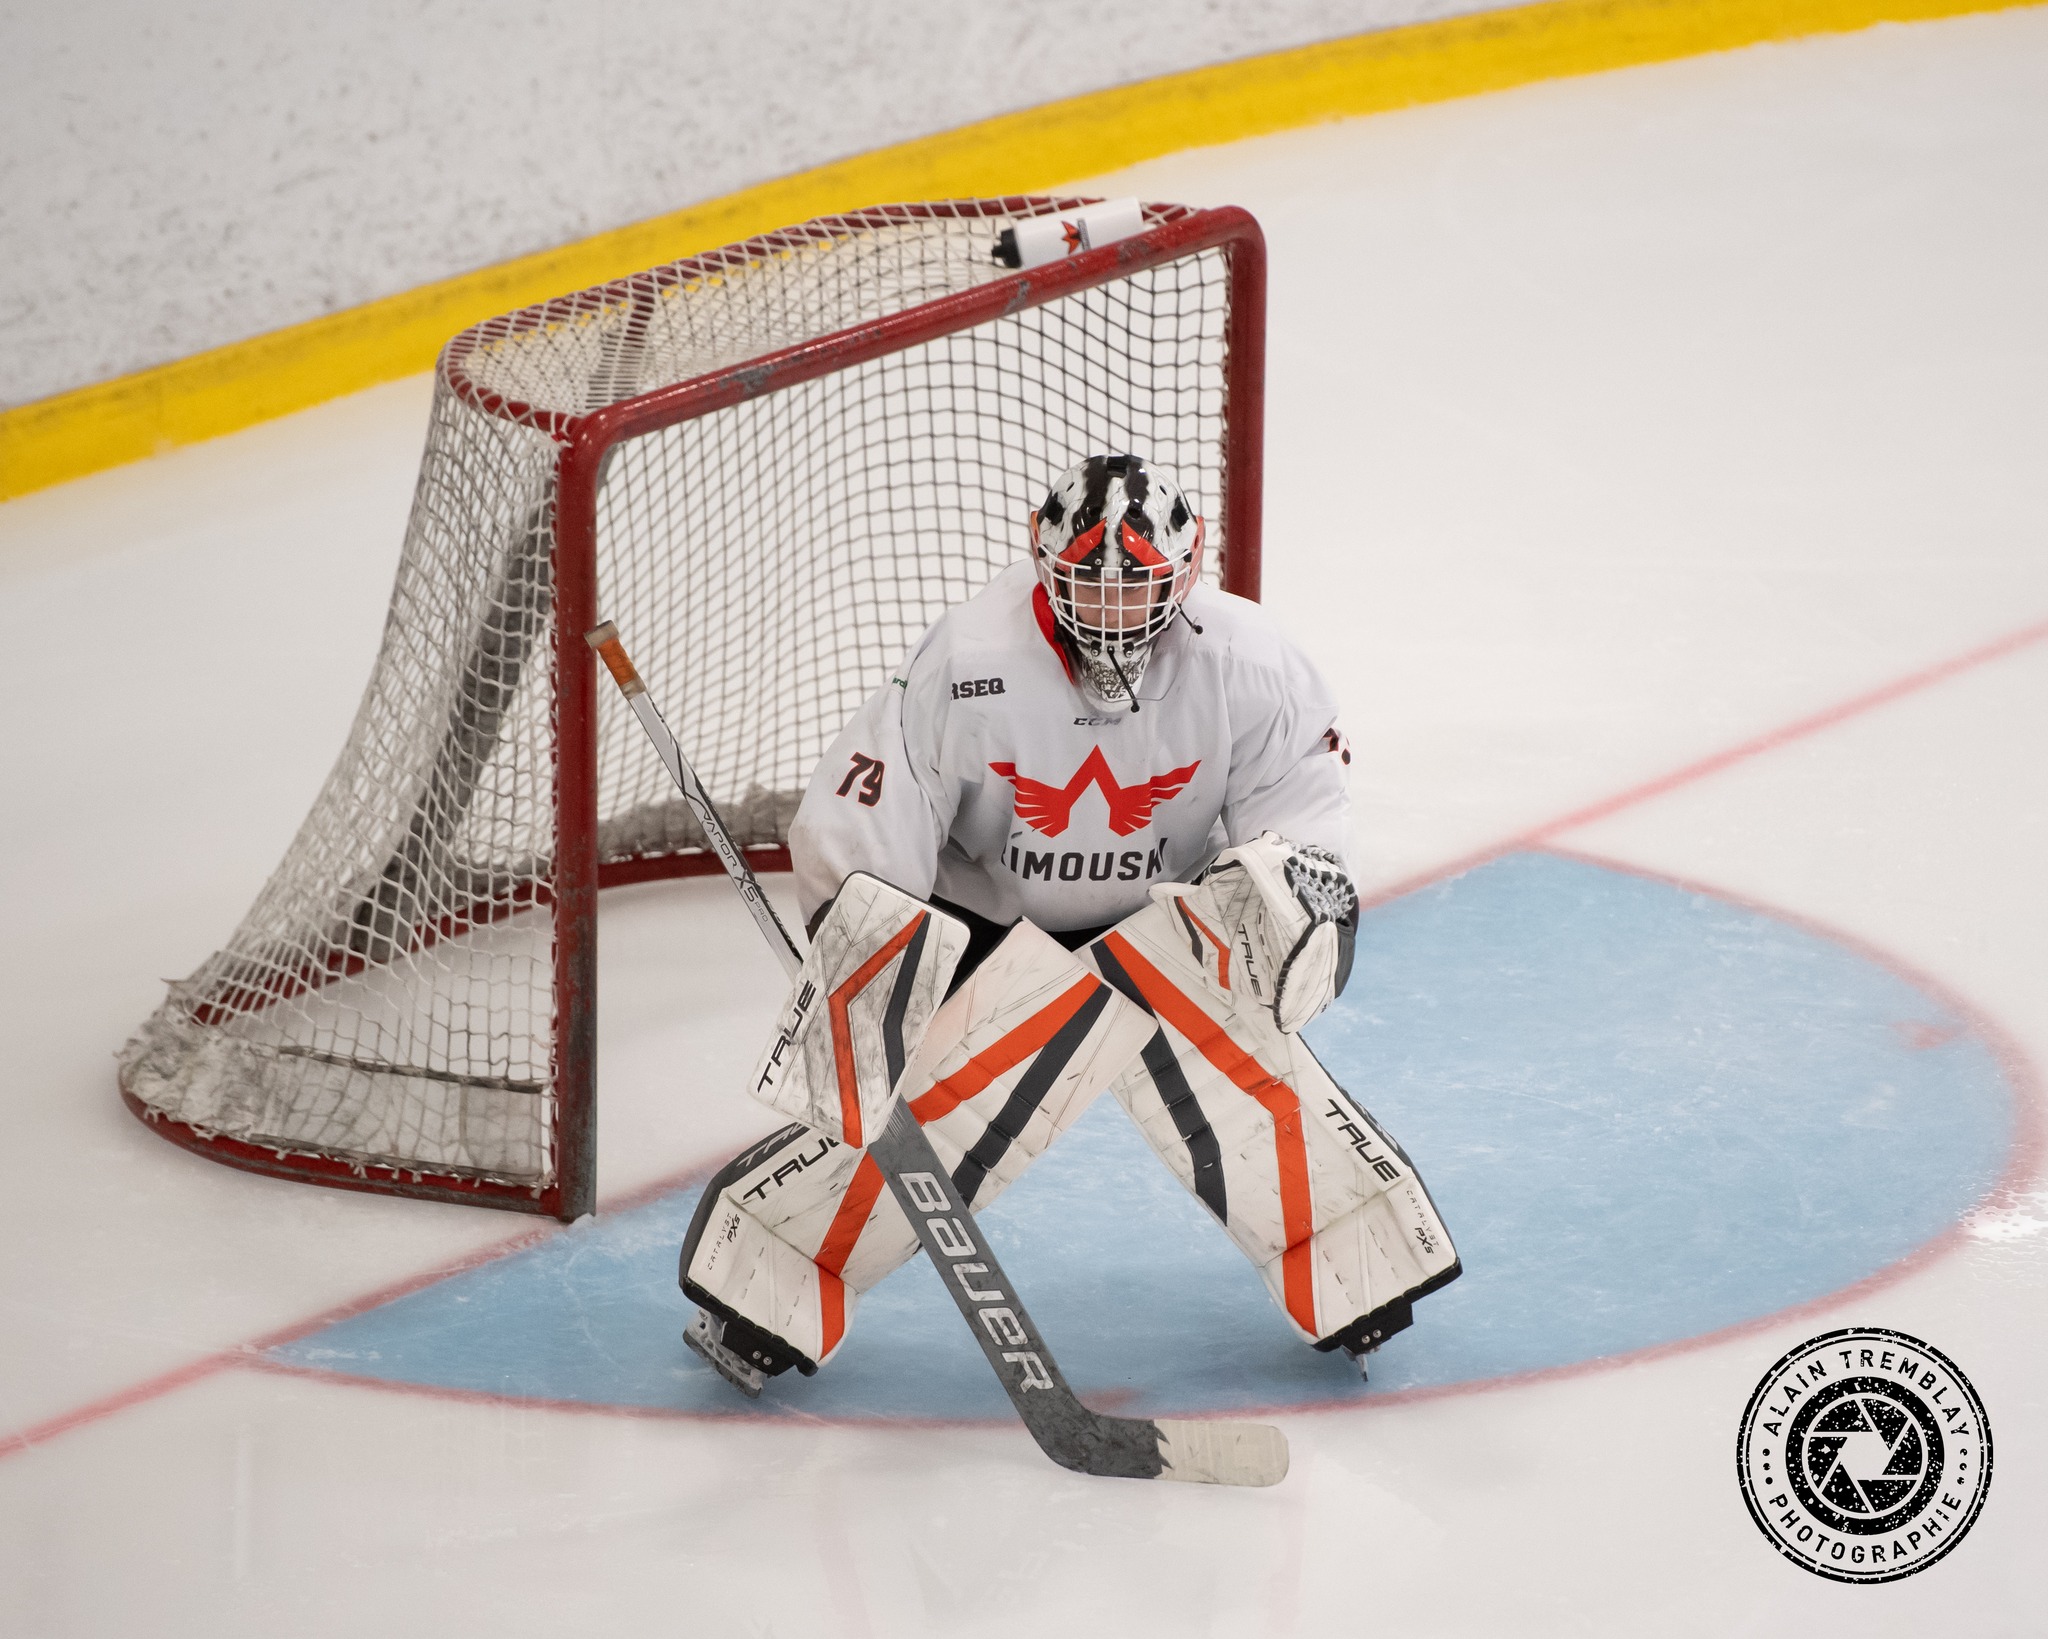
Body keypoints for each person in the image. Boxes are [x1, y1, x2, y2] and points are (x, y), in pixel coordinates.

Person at [678, 454, 1459, 1396]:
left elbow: (1303, 817)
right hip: (990, 931)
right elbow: (867, 817)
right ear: (1044, 562)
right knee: (932, 1110)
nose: (1115, 617)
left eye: (1140, 592)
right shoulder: (970, 661)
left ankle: (1354, 1257)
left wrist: (1298, 905)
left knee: (1241, 1052)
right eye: (1091, 586)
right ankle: (766, 1277)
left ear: (1188, 572)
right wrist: (867, 965)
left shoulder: (1251, 664)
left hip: (1158, 929)